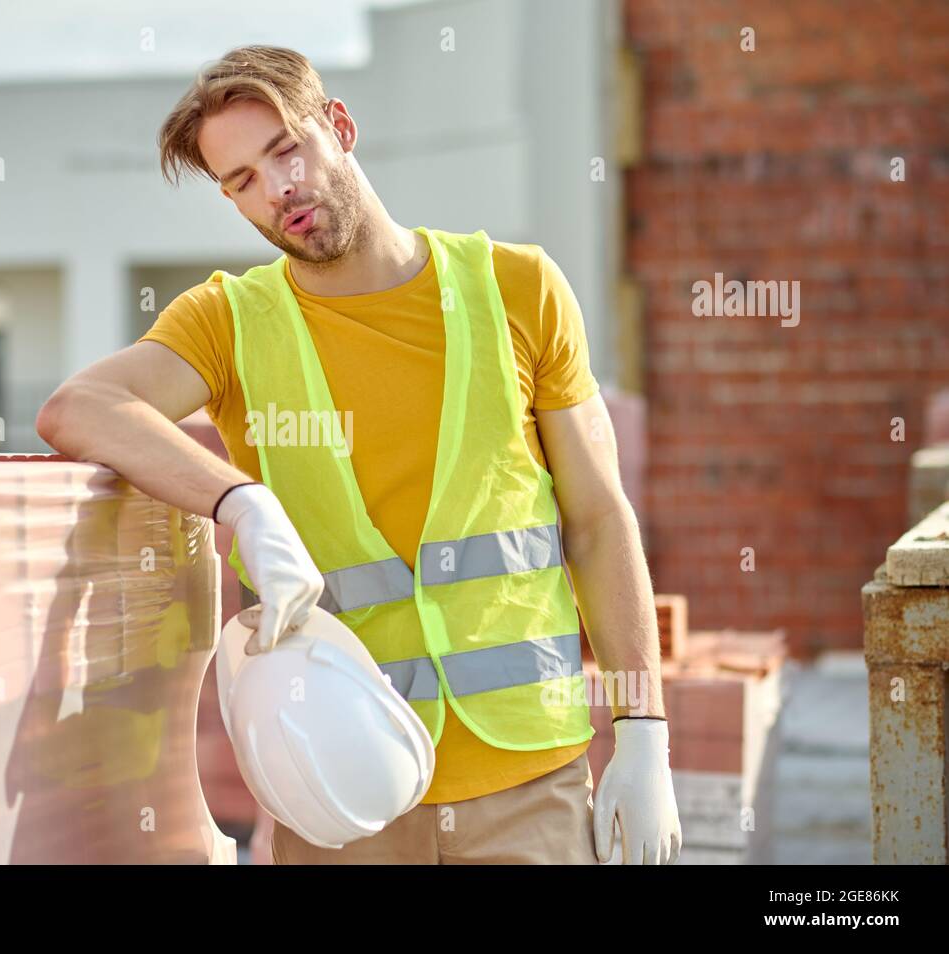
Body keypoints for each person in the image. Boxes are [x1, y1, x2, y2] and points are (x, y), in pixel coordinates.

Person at [37, 45, 680, 865]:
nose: (278, 190)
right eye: (241, 181)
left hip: (529, 784)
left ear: (338, 126)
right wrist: (242, 502)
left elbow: (596, 521)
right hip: (342, 796)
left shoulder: (519, 290)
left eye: (285, 150)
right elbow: (78, 408)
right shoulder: (230, 323)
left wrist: (645, 734)